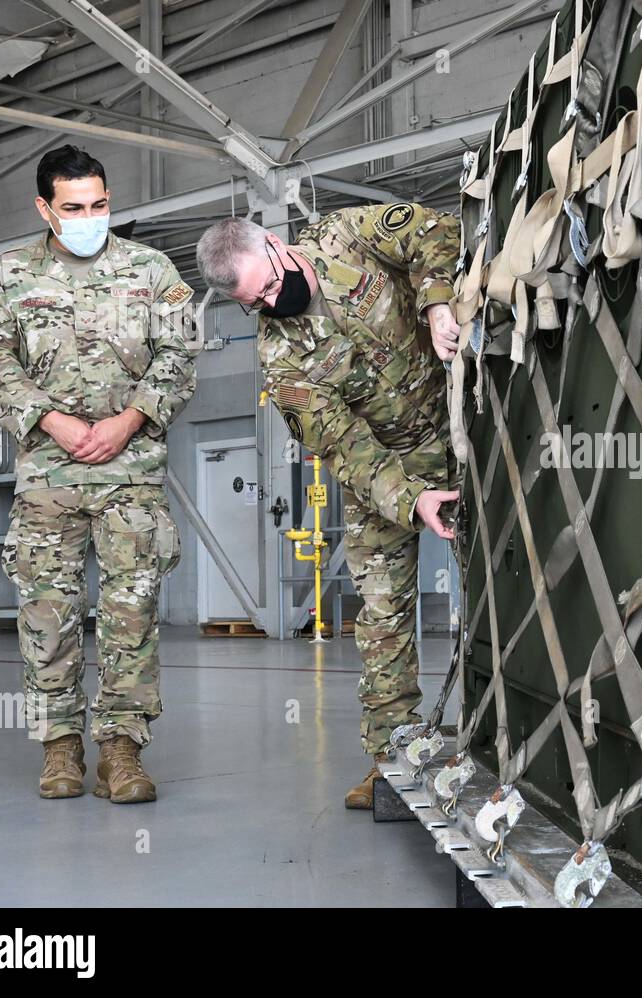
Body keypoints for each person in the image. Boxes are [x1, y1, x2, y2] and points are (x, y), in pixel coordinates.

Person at [195, 203, 459, 808]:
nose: (268, 302)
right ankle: (392, 763)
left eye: (267, 285)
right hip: (382, 472)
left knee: (500, 593)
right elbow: (341, 440)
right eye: (252, 303)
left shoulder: (347, 235)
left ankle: (500, 743)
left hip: (463, 430)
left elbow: (433, 231)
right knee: (383, 621)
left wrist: (437, 303)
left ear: (277, 244)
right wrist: (412, 498)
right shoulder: (280, 359)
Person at [0, 145, 196, 803]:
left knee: (132, 613)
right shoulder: (10, 276)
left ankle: (121, 753)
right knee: (49, 616)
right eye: (74, 208)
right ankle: (59, 749)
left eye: (100, 205)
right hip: (48, 477)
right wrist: (52, 422)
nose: (91, 217)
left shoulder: (151, 270)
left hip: (131, 473)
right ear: (45, 208)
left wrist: (130, 419)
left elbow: (178, 357)